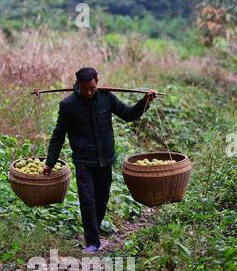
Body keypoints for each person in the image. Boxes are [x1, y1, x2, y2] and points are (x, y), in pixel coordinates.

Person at [44, 67, 156, 253]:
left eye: (92, 88)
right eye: (85, 88)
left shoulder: (106, 98)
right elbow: (58, 135)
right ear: (78, 85)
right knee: (87, 200)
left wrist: (145, 101)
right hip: (83, 161)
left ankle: (93, 230)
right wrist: (50, 162)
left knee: (101, 200)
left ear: (97, 82)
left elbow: (129, 115)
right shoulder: (68, 105)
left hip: (105, 160)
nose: (89, 92)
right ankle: (92, 242)